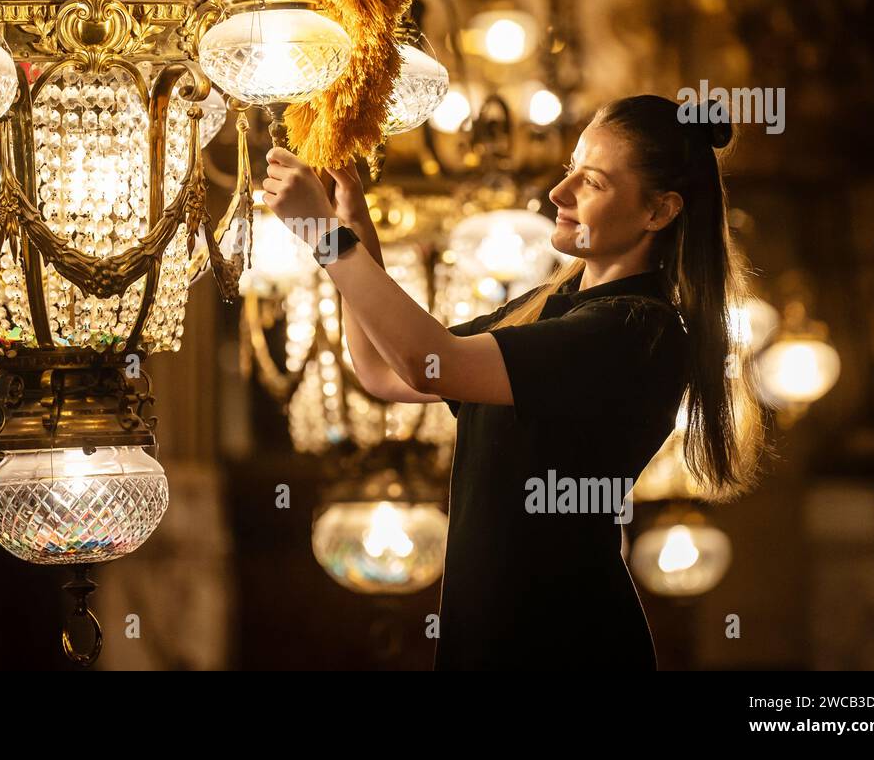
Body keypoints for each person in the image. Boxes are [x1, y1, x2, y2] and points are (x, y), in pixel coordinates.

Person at [261, 94, 765, 670]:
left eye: (593, 182)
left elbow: (430, 360)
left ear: (659, 211)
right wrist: (353, 224)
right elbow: (385, 371)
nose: (559, 192)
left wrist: (327, 237)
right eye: (570, 167)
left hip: (563, 642)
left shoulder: (632, 328)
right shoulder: (550, 306)